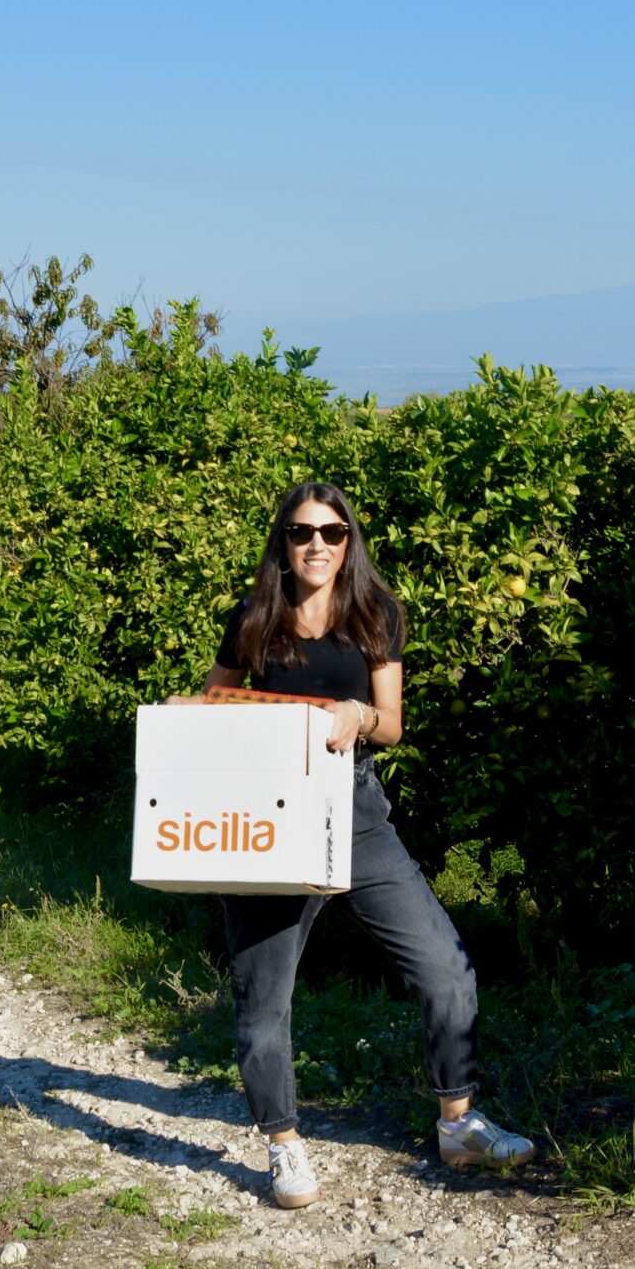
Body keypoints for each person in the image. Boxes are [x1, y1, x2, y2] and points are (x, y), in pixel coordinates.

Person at [201, 480, 536, 1210]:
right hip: (269, 815)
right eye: (300, 531)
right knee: (264, 999)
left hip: (353, 809)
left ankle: (458, 1123)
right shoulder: (255, 618)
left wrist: (355, 710)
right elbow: (212, 704)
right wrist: (182, 717)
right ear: (281, 543)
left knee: (444, 966)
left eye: (331, 531)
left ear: (349, 540)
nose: (316, 543)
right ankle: (283, 1143)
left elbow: (391, 722)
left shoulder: (374, 614)